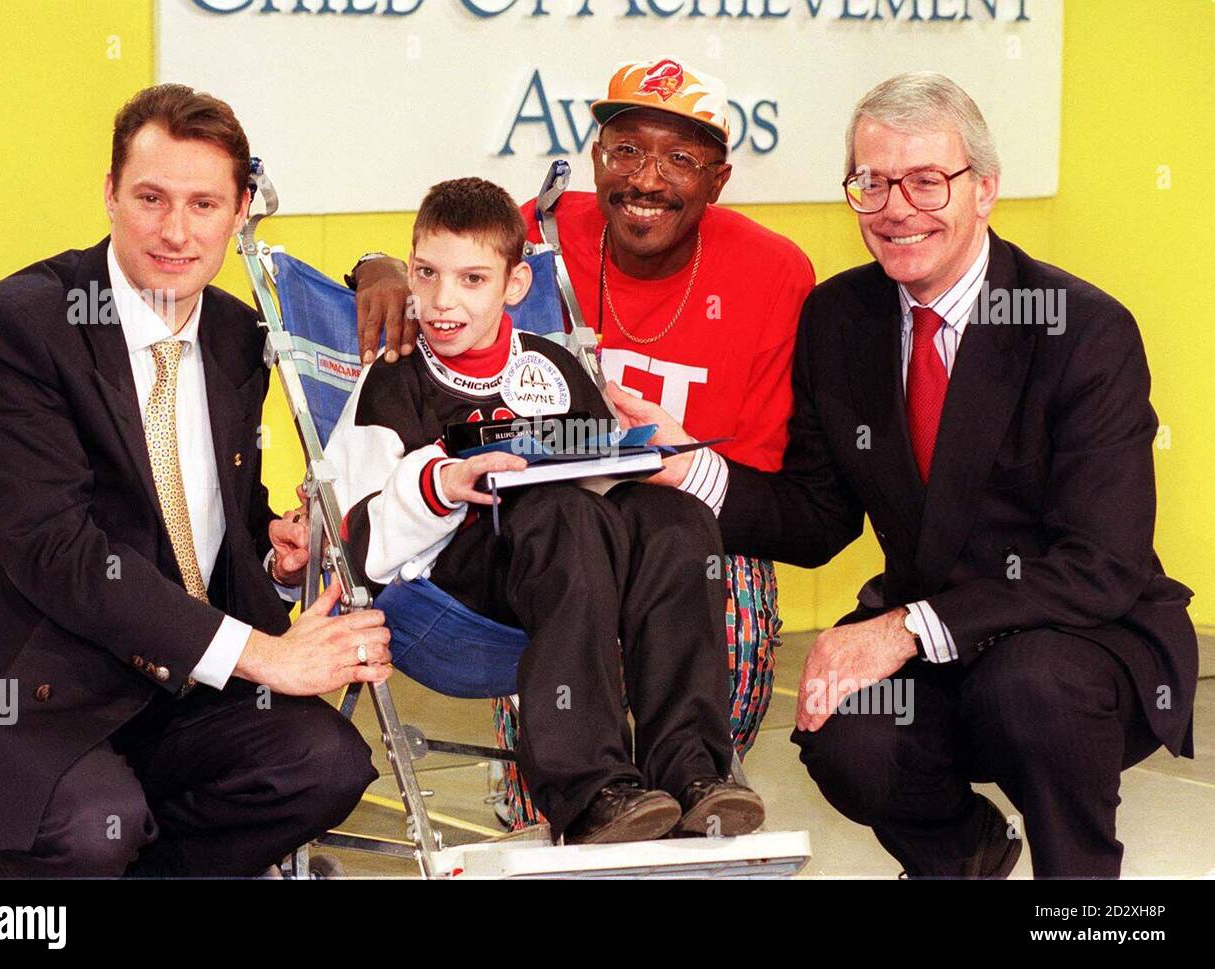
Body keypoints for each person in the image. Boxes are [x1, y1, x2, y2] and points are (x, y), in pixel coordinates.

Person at [608, 72, 1198, 878]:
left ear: (985, 190)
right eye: (871, 182)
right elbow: (818, 518)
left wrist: (904, 628)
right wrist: (690, 466)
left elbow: (1100, 566)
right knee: (848, 727)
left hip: (1081, 640)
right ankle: (963, 856)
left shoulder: (1080, 329)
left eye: (926, 180)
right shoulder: (840, 316)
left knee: (1029, 688)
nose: (895, 207)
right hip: (946, 647)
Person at [0, 84, 392, 877]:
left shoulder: (238, 335)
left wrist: (271, 557)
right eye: (150, 198)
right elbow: (59, 551)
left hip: (173, 684)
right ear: (109, 195)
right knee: (97, 823)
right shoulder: (9, 332)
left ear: (241, 209)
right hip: (30, 690)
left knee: (324, 762)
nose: (176, 231)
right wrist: (266, 657)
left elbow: (211, 515)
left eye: (204, 203)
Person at [350, 58, 814, 823]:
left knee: (678, 522)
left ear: (719, 178)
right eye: (625, 148)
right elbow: (459, 251)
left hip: (634, 512)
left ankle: (695, 772)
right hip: (493, 544)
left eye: (680, 158)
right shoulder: (540, 235)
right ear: (596, 156)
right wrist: (376, 266)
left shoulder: (771, 274)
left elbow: (784, 506)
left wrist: (665, 457)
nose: (646, 178)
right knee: (561, 522)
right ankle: (587, 791)